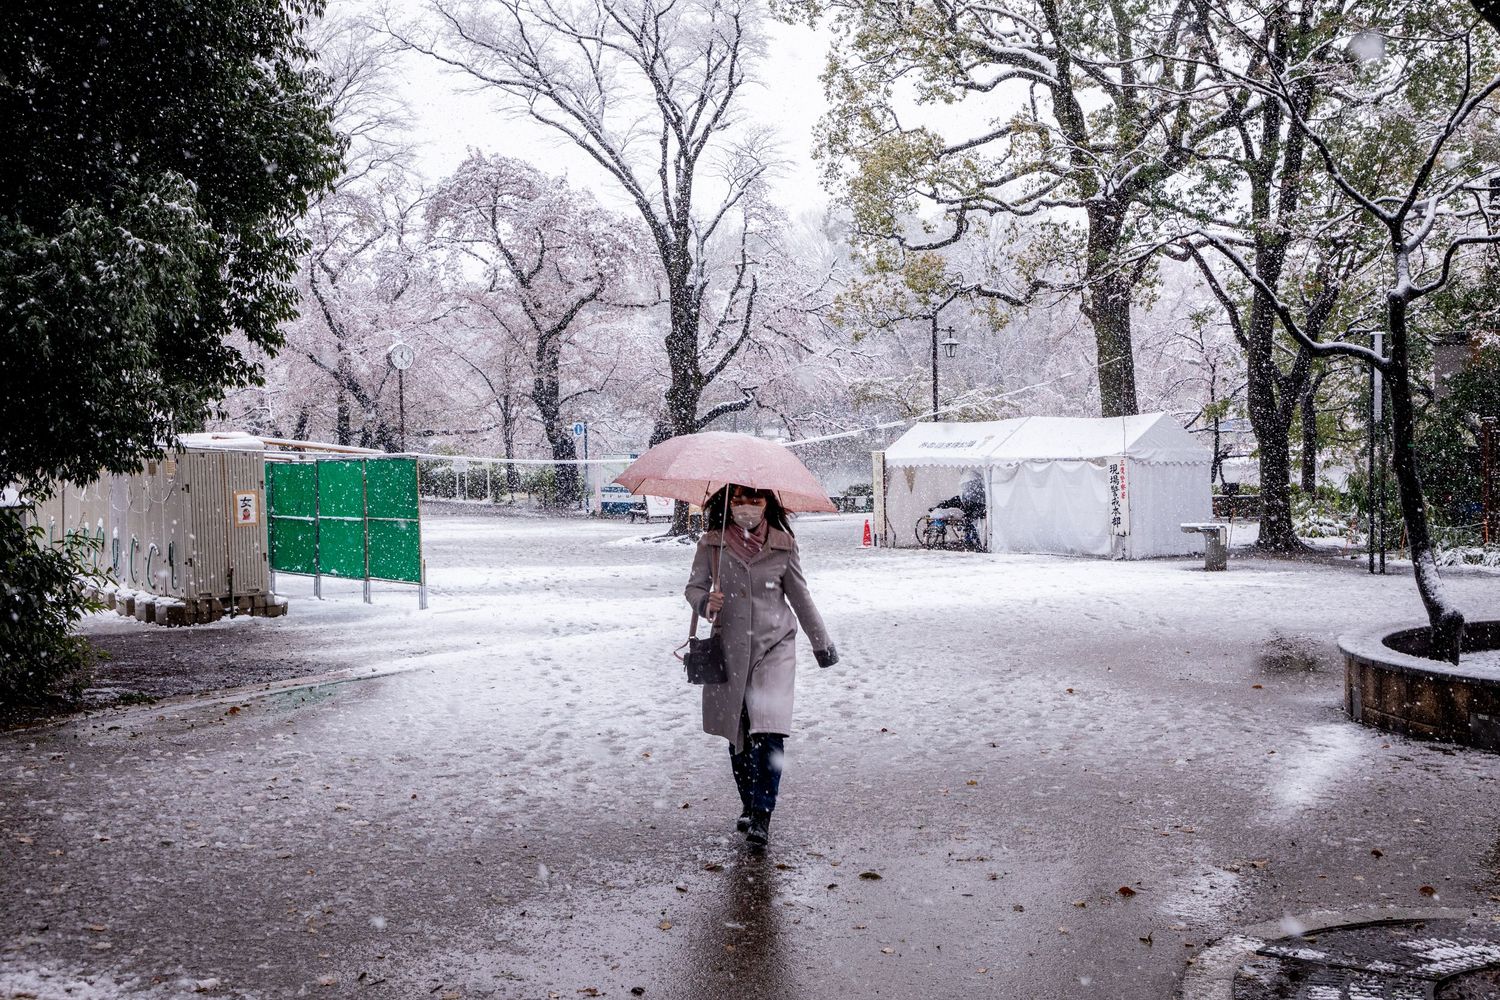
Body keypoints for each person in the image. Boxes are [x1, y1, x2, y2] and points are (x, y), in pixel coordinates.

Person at [684, 483, 838, 848]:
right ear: (727, 503)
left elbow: (801, 599)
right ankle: (749, 803)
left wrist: (823, 645)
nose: (747, 506)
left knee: (768, 730)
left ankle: (763, 815)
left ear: (769, 503)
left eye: (755, 499)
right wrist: (707, 601)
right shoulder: (712, 544)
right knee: (738, 732)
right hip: (729, 650)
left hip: (774, 648)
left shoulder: (783, 546)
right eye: (739, 499)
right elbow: (692, 588)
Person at [930, 469, 986, 550]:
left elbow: (980, 506)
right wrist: (938, 507)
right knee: (968, 522)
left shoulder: (978, 495)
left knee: (971, 523)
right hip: (971, 513)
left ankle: (975, 542)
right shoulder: (964, 496)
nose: (968, 487)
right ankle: (971, 541)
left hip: (975, 514)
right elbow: (950, 502)